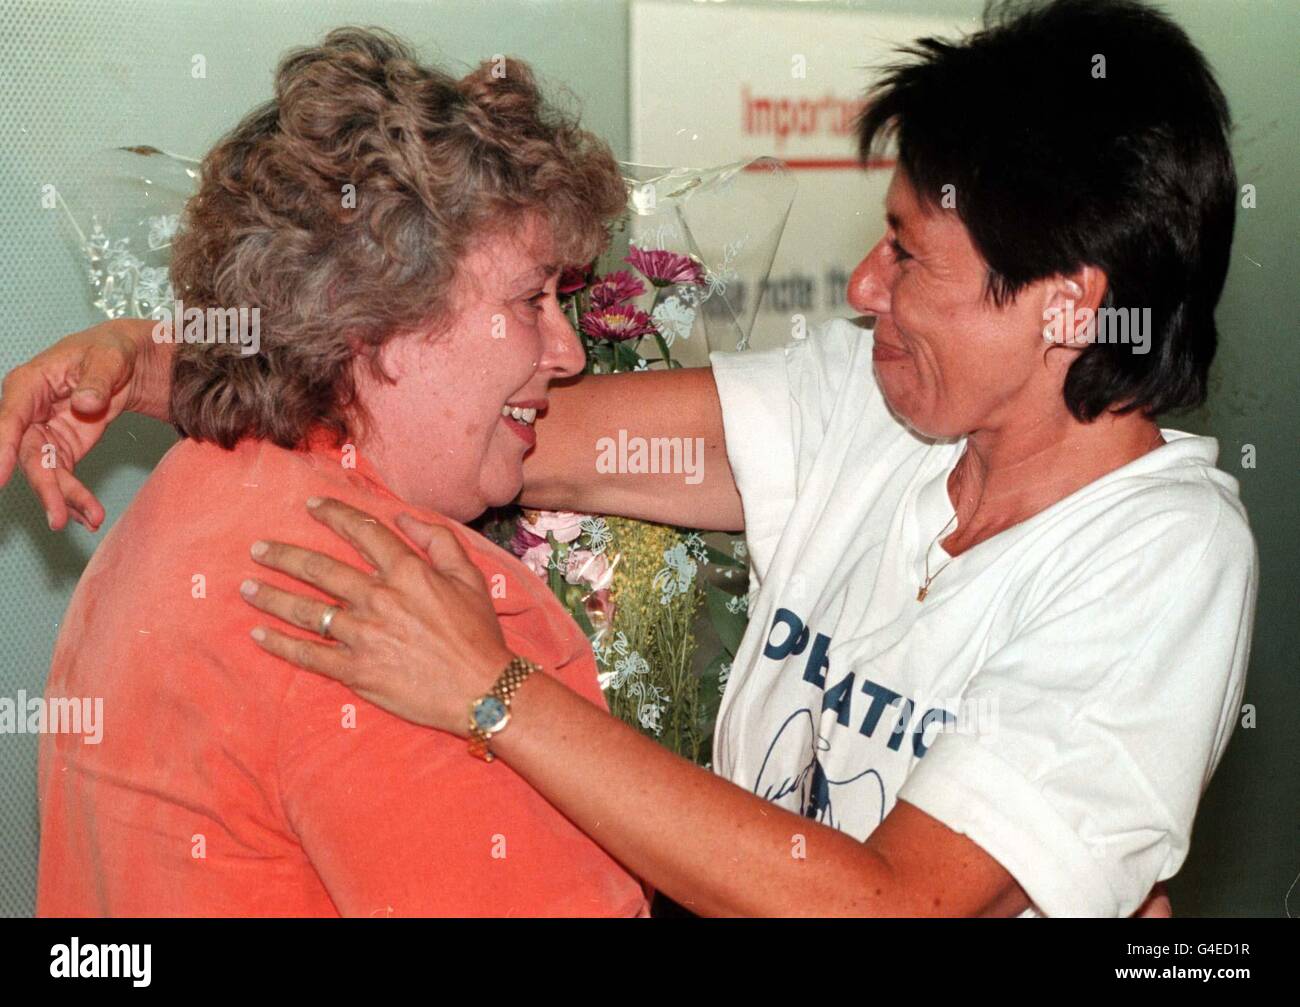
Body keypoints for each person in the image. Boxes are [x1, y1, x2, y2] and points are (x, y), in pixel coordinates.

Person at [2, 0, 1250, 916]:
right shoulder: (873, 412)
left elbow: (893, 907)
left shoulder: (1160, 555)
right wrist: (132, 357)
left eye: (909, 254)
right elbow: (476, 425)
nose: (863, 286)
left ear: (1066, 306)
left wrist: (493, 694)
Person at [29, 27, 648, 917]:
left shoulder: (185, 493)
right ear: (372, 319)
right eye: (529, 301)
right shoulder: (405, 614)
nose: (569, 350)